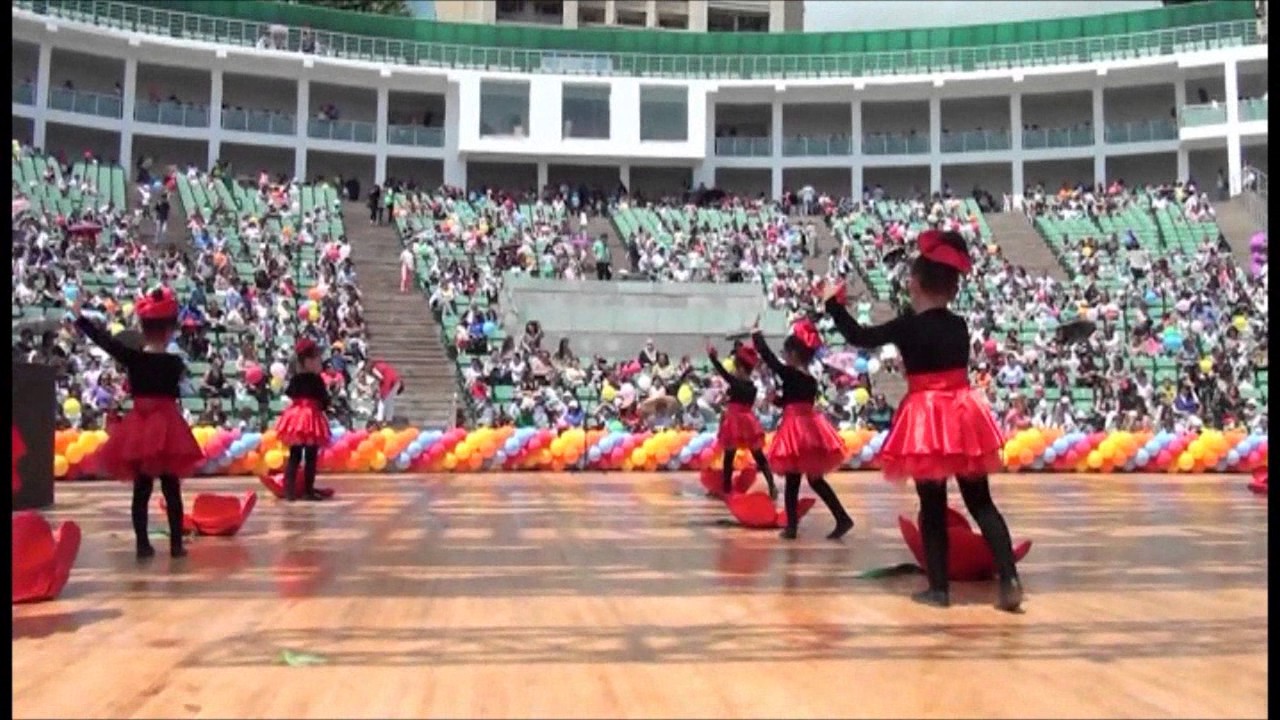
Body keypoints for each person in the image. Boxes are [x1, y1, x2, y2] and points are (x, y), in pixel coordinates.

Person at [821, 229, 1022, 612]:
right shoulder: (959, 326)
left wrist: (833, 306)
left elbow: (860, 336)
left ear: (914, 284)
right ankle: (1010, 578)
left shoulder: (906, 326)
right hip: (963, 413)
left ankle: (939, 589)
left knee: (931, 504)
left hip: (926, 416)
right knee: (981, 502)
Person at [74, 287, 203, 560]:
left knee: (141, 489)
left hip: (140, 425)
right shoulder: (175, 363)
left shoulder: (134, 358)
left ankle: (142, 545)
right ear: (169, 329)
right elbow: (177, 392)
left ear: (143, 327)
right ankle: (176, 545)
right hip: (168, 426)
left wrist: (81, 319)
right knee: (171, 488)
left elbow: (105, 341)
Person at [749, 316, 853, 540]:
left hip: (796, 428)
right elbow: (793, 400)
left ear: (794, 354)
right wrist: (776, 400)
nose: (784, 358)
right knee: (815, 479)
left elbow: (769, 360)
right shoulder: (810, 378)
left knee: (793, 478)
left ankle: (793, 526)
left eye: (786, 354)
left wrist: (756, 335)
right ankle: (841, 517)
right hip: (812, 427)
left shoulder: (791, 373)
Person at [707, 341, 777, 499]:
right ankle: (772, 485)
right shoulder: (752, 386)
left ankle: (726, 489)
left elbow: (722, 372)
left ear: (740, 367)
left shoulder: (736, 382)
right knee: (758, 455)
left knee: (729, 456)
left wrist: (713, 358)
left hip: (734, 420)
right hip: (748, 420)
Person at [274, 339, 332, 502]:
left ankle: (289, 491)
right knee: (311, 456)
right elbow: (324, 400)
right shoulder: (317, 380)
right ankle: (308, 490)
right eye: (316, 358)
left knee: (295, 454)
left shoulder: (295, 379)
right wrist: (326, 406)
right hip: (310, 417)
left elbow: (290, 394)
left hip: (295, 416)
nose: (319, 361)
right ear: (308, 361)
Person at [369, 359, 403, 426]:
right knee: (388, 402)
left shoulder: (375, 368)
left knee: (383, 402)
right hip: (396, 382)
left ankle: (380, 420)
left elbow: (382, 378)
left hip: (390, 383)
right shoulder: (385, 366)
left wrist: (382, 392)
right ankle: (387, 420)